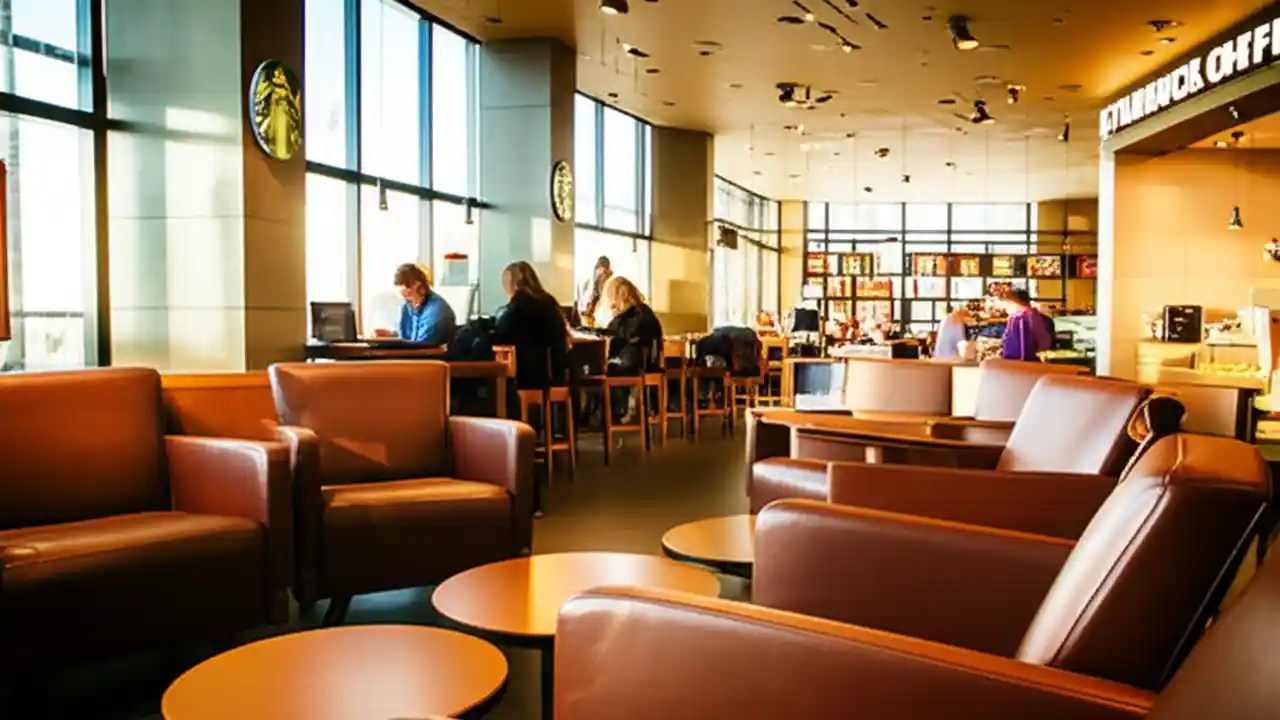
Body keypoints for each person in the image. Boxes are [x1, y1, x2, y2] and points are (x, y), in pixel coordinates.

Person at [492, 261, 570, 392]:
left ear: (514, 284)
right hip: (556, 373)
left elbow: (502, 335)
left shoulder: (520, 305)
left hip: (529, 376)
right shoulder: (549, 301)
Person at [602, 276, 663, 423]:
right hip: (641, 362)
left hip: (637, 364)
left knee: (606, 369)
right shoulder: (642, 313)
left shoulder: (637, 316)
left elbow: (618, 332)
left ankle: (617, 411)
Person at [394, 262, 457, 346]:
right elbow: (408, 337)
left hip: (427, 356)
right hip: (413, 355)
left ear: (421, 288)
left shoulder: (437, 312)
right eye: (404, 296)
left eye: (408, 294)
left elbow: (422, 347)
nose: (407, 300)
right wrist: (389, 335)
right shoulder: (407, 307)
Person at [1000, 288, 1053, 362]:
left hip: (1021, 364)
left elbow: (1018, 352)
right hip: (1038, 359)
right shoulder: (1036, 315)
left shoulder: (1018, 318)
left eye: (1007, 302)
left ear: (1014, 301)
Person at [576, 256, 614, 328]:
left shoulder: (610, 287)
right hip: (594, 324)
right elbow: (585, 313)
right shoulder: (591, 287)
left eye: (604, 273)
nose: (601, 276)